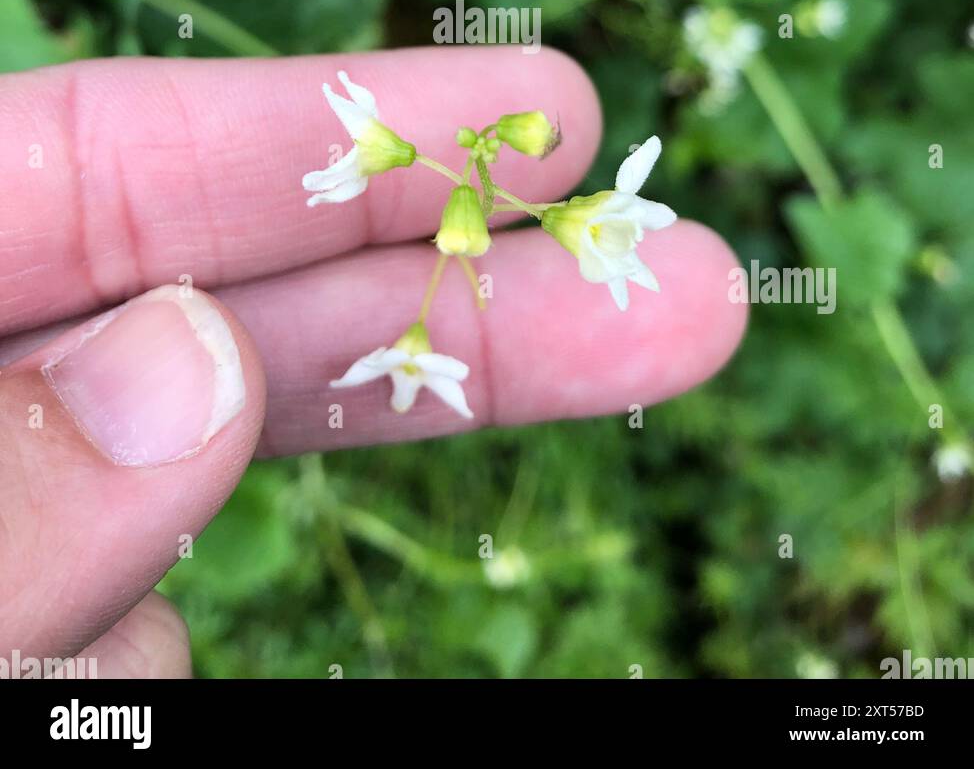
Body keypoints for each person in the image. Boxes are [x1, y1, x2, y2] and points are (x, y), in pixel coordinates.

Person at [0, 45, 744, 678]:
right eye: (589, 227)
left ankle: (473, 299)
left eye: (587, 227)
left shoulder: (520, 208)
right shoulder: (439, 179)